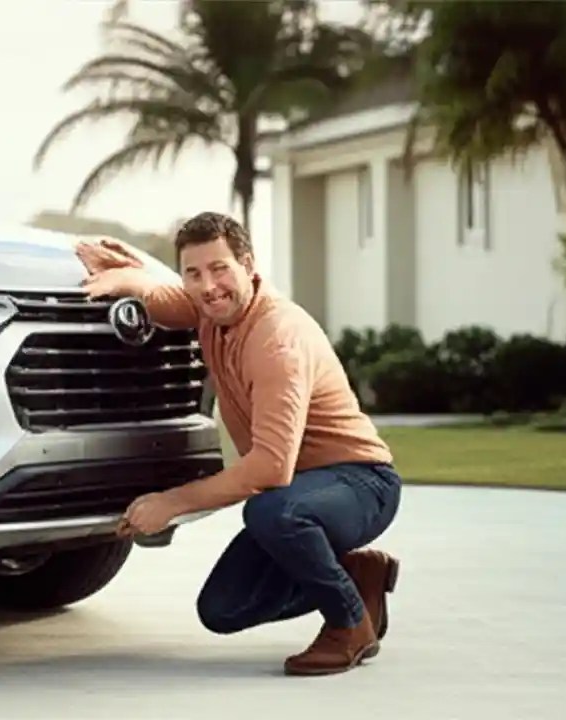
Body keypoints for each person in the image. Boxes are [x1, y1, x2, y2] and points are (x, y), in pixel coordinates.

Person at [75, 211, 402, 677]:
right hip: (304, 492)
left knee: (272, 511)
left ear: (248, 265)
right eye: (194, 273)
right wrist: (132, 278)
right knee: (223, 609)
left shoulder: (276, 340)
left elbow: (270, 469)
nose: (208, 286)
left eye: (220, 268)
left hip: (360, 482)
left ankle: (350, 626)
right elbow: (167, 300)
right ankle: (356, 576)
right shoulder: (212, 309)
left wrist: (172, 502)